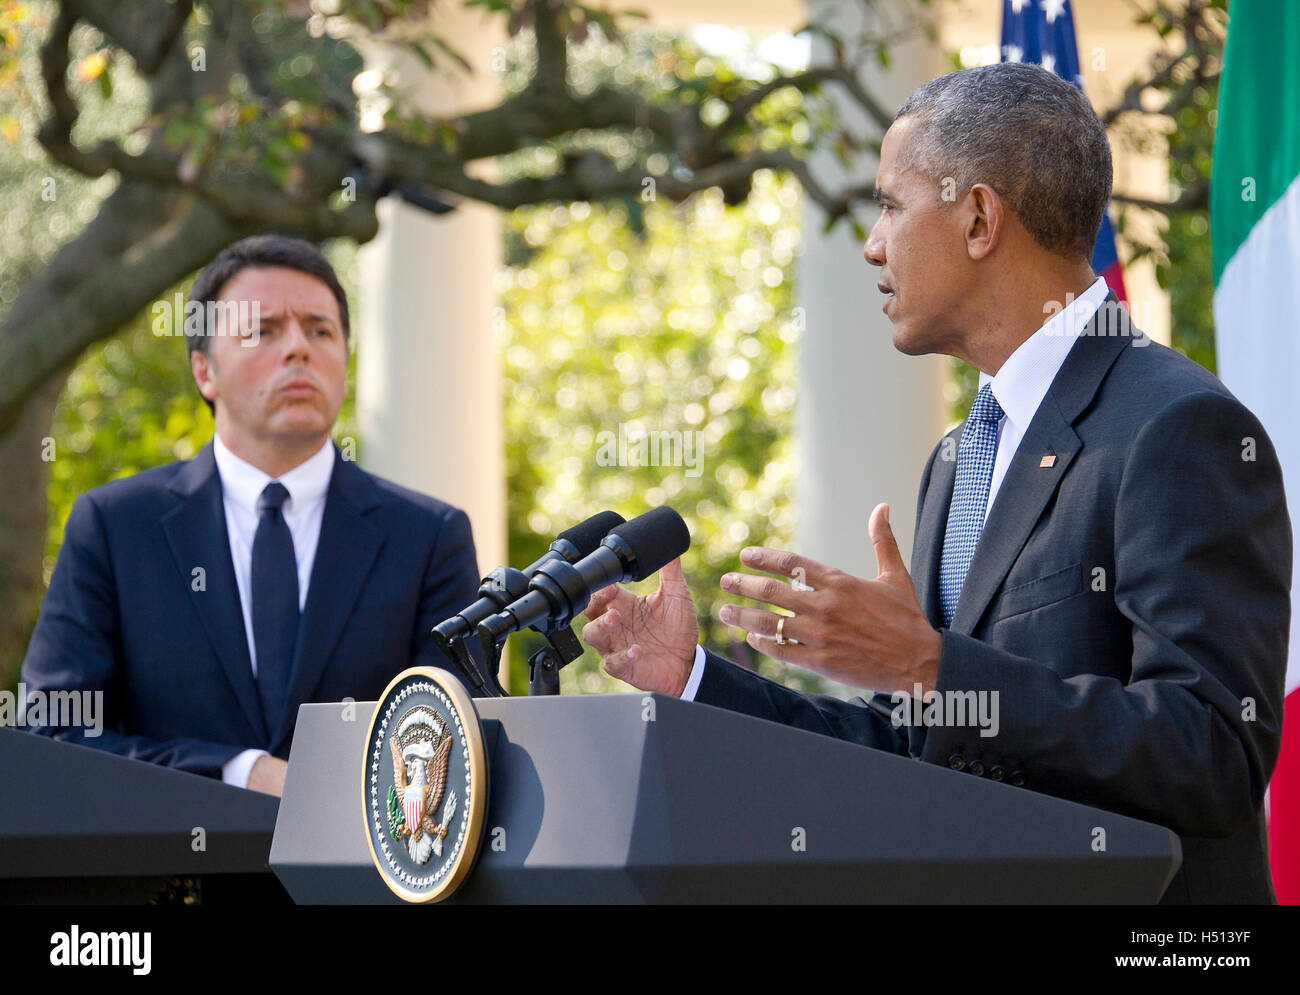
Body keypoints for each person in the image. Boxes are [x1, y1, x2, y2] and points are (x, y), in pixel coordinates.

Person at [582, 63, 1291, 904]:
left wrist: (931, 665)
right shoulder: (959, 458)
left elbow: (1209, 755)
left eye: (890, 203)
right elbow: (916, 755)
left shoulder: (1178, 428)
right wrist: (696, 681)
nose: (873, 243)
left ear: (980, 217)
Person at [20, 235, 485, 797]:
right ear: (204, 372)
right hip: (170, 877)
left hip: (362, 879)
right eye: (262, 330)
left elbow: (458, 743)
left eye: (320, 330)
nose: (298, 349)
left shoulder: (430, 536)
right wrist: (238, 771)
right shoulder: (116, 527)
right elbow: (53, 733)